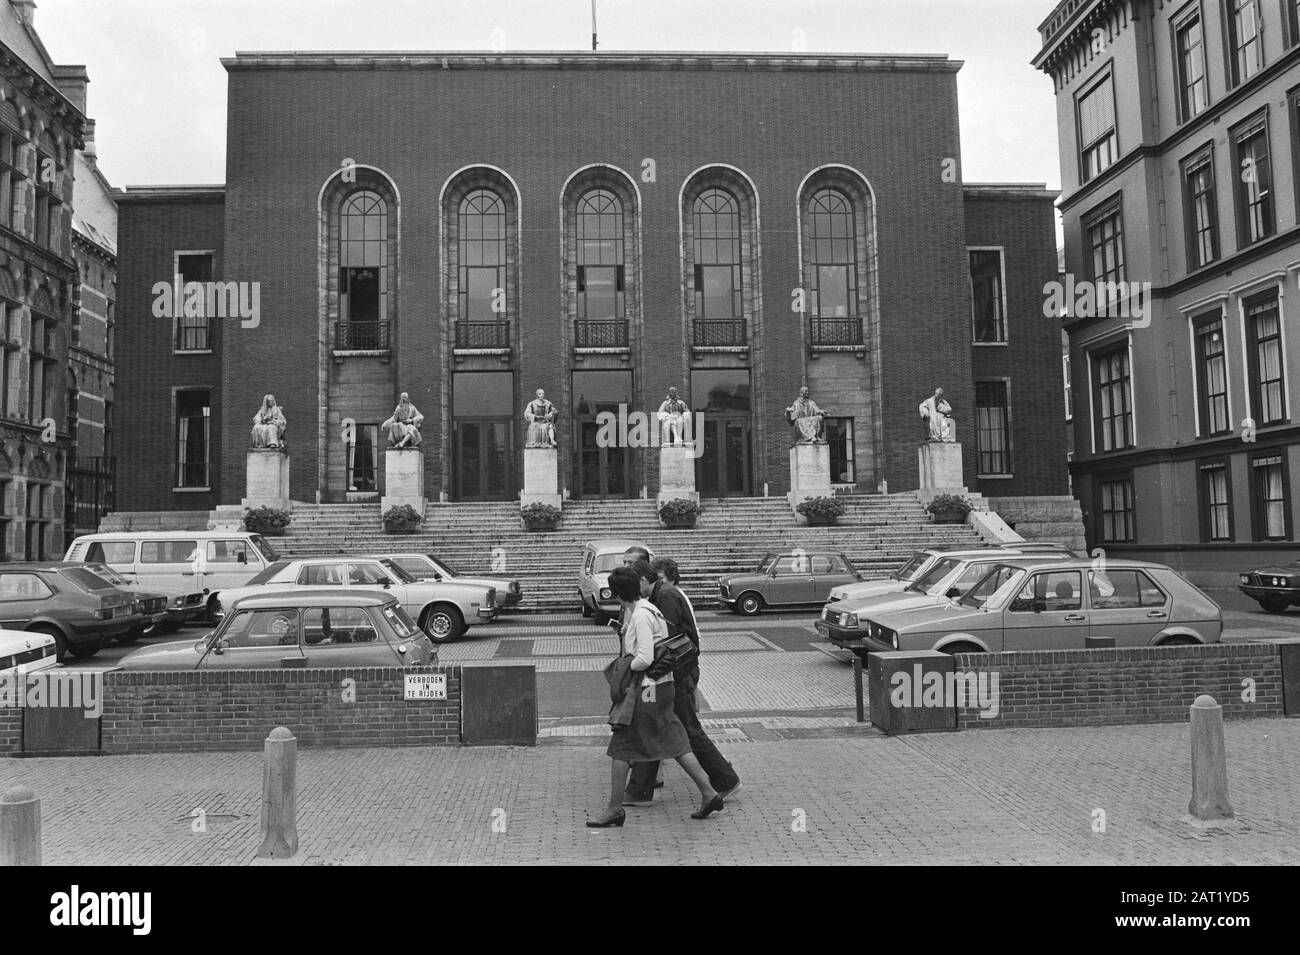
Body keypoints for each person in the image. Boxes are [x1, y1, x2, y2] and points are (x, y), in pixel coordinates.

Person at [589, 566, 725, 827]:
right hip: (662, 685)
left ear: (618, 594)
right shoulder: (649, 609)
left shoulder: (640, 615)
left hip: (647, 687)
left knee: (621, 744)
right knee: (672, 739)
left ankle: (615, 809)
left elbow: (644, 658)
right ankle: (709, 793)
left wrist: (624, 667)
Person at [625, 558, 742, 807]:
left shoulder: (665, 596)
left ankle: (725, 780)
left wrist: (651, 672)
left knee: (685, 728)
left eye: (636, 585)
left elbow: (667, 644)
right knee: (660, 726)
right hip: (676, 672)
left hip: (679, 673)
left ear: (645, 581)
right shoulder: (662, 594)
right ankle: (639, 789)